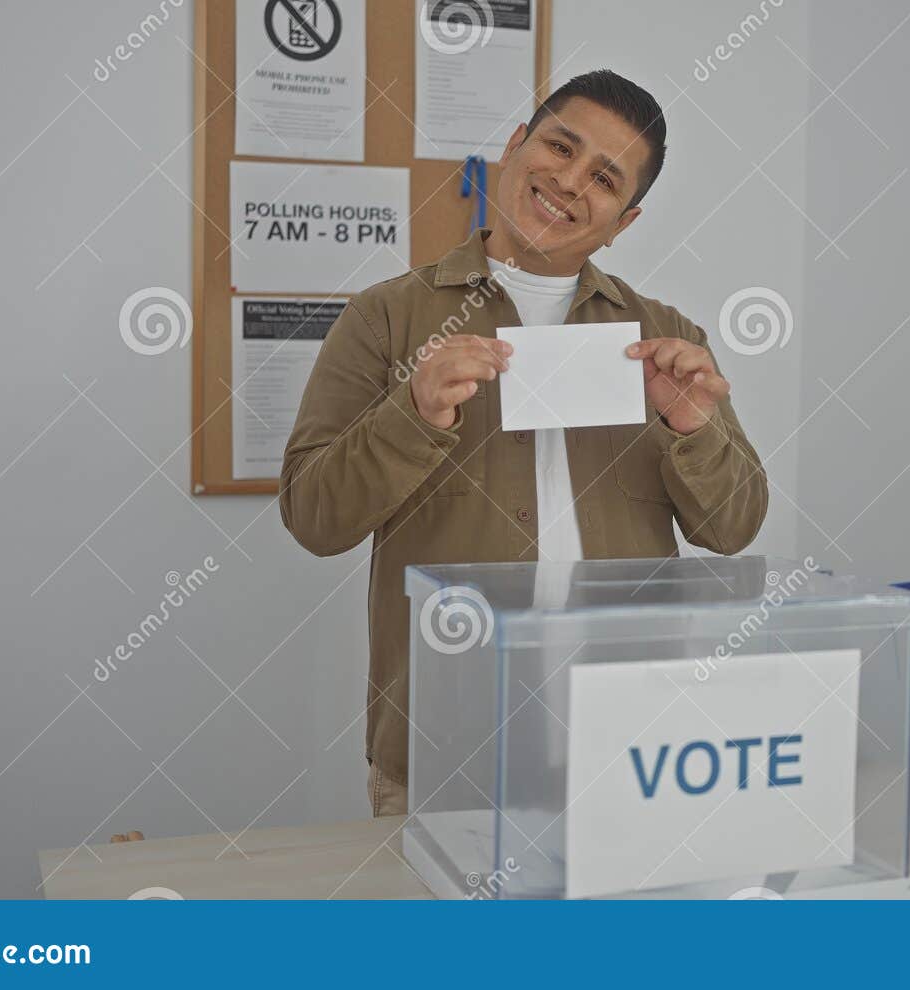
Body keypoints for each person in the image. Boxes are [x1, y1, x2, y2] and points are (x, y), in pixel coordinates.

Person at [280, 69, 768, 817]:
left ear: (624, 221)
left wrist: (692, 427)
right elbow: (314, 518)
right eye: (559, 147)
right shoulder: (383, 319)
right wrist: (412, 413)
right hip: (446, 747)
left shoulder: (667, 337)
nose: (569, 182)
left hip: (629, 746)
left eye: (603, 178)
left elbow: (733, 529)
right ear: (515, 146)